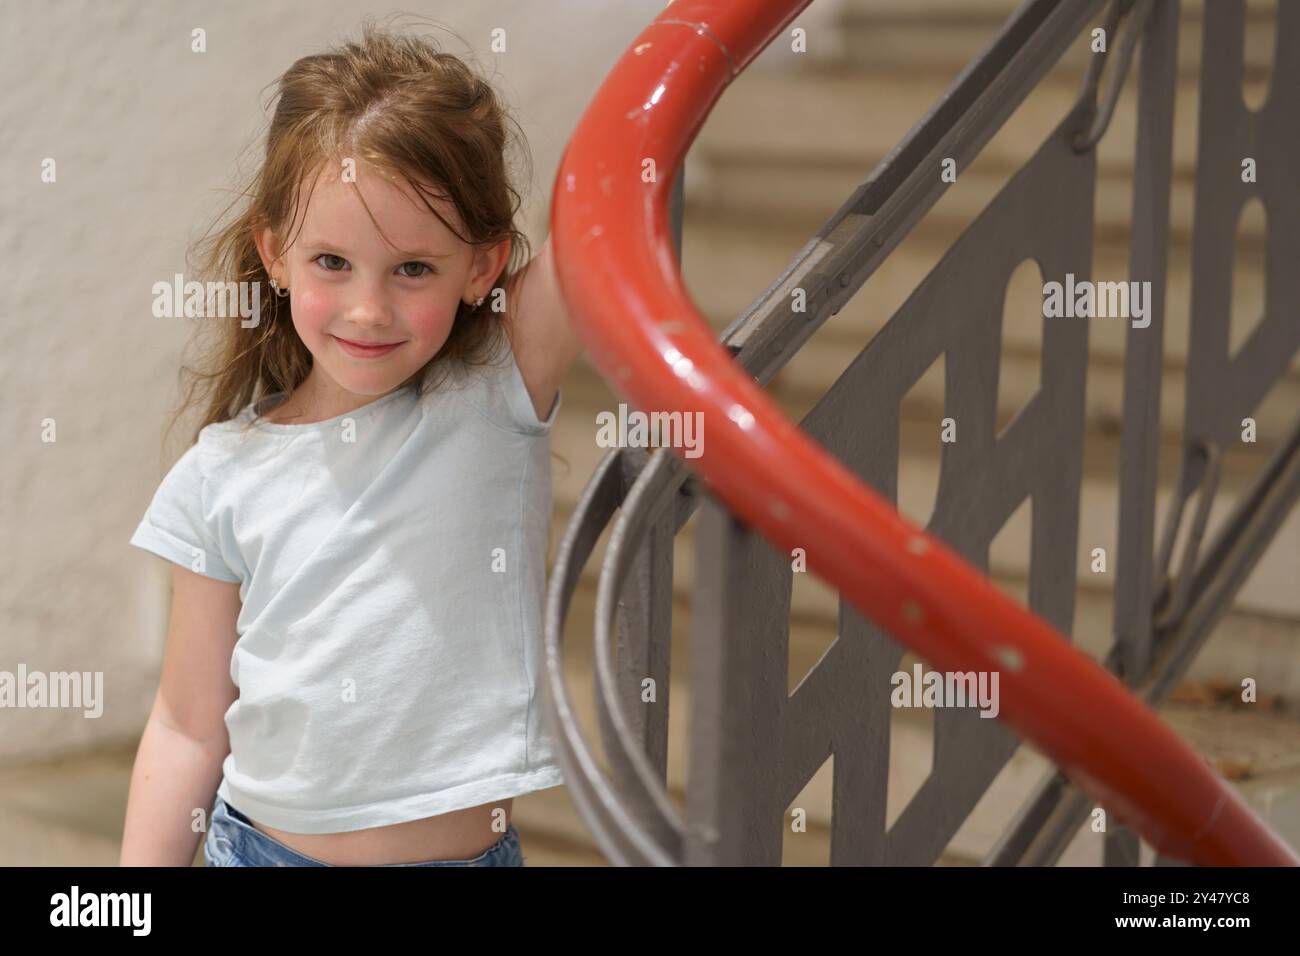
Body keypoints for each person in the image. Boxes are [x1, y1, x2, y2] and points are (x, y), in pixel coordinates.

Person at [118, 18, 584, 867]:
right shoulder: (219, 472)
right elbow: (186, 725)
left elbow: (609, 213)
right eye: (332, 260)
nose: (369, 308)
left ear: (481, 269)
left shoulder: (493, 391)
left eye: (412, 268)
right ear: (275, 254)